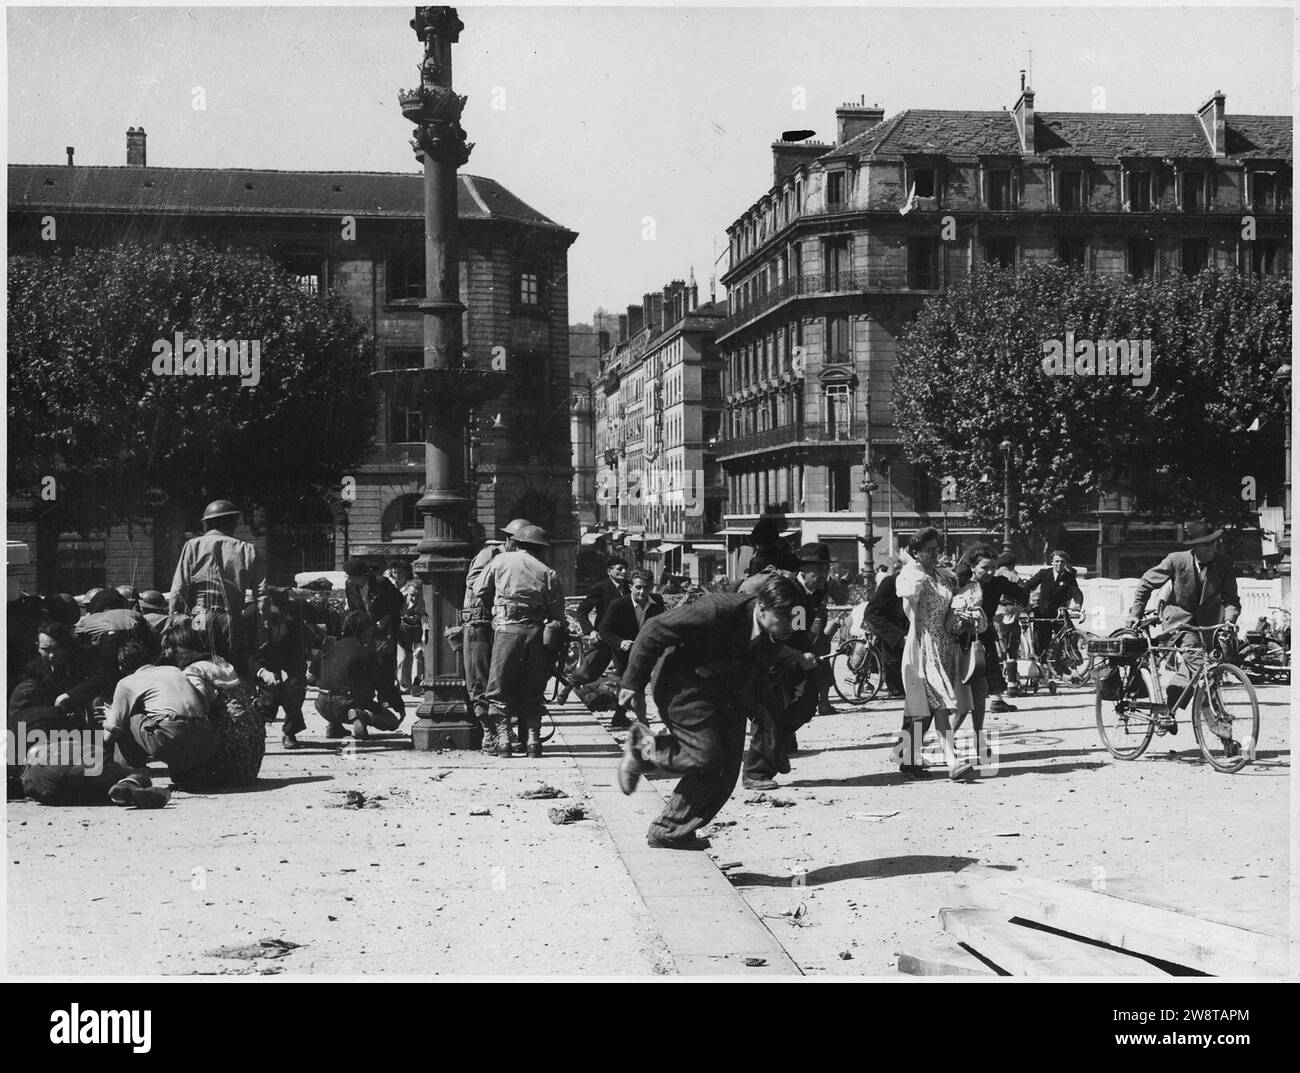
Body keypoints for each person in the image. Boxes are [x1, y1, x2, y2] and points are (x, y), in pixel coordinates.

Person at [615, 575, 816, 849]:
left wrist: (773, 732)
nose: (792, 628)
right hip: (683, 685)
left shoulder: (775, 630)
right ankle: (644, 747)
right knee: (705, 755)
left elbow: (762, 667)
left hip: (725, 692)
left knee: (725, 771)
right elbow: (654, 628)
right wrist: (633, 682)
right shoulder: (718, 609)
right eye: (787, 621)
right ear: (763, 609)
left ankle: (671, 830)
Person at [1126, 521, 1242, 737]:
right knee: (1198, 662)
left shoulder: (1224, 564)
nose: (1211, 548)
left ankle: (1169, 707)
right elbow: (1146, 583)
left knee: (1205, 669)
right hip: (1180, 624)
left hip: (1209, 626)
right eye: (1205, 545)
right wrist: (1135, 613)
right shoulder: (1176, 560)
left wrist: (1229, 622)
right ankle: (1216, 725)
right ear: (1195, 547)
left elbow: (1232, 600)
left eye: (1213, 543)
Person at [473, 524, 566, 758]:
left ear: (516, 543)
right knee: (532, 687)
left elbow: (479, 590)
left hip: (506, 630)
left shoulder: (501, 561)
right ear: (541, 549)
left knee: (498, 687)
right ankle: (534, 742)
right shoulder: (548, 572)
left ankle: (504, 740)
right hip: (535, 632)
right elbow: (557, 617)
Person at [896, 528, 976, 781]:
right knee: (938, 705)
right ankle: (951, 760)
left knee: (927, 708)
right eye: (927, 550)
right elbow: (909, 593)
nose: (933, 554)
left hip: (945, 644)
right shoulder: (911, 574)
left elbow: (957, 597)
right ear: (916, 552)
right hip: (923, 645)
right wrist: (913, 565)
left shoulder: (943, 576)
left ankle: (905, 755)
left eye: (935, 549)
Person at [100, 641, 219, 783]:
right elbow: (204, 703)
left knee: (131, 718)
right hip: (207, 738)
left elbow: (110, 735)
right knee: (162, 717)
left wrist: (110, 717)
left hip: (172, 739)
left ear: (121, 666)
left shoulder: (126, 682)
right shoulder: (173, 670)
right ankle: (190, 772)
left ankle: (132, 778)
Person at [169, 499, 268, 671]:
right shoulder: (247, 549)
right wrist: (263, 628)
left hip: (199, 617)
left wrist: (174, 620)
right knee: (231, 669)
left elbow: (178, 589)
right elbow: (262, 595)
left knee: (199, 667)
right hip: (231, 620)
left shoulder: (192, 546)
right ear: (232, 522)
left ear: (207, 523)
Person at [462, 519, 529, 752]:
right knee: (479, 677)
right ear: (509, 540)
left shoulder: (518, 559)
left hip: (501, 623)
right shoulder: (490, 553)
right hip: (480, 621)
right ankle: (489, 732)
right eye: (520, 543)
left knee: (500, 678)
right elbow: (474, 583)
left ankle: (501, 729)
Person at [959, 546, 1031, 714]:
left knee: (991, 664)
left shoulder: (998, 583)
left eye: (994, 567)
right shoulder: (960, 583)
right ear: (972, 567)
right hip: (961, 632)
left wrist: (1018, 607)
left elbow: (1023, 593)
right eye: (985, 568)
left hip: (984, 630)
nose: (990, 572)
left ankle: (996, 700)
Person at [311, 611, 403, 740]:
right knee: (392, 721)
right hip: (347, 704)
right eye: (370, 630)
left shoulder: (329, 647)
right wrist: (399, 705)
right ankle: (362, 715)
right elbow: (383, 684)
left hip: (322, 704)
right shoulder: (366, 652)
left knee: (339, 683)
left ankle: (334, 725)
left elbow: (313, 673)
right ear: (364, 631)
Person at [596, 568, 665, 728]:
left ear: (652, 587)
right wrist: (620, 642)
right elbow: (604, 630)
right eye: (638, 587)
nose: (642, 592)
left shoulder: (657, 602)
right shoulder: (618, 605)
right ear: (630, 587)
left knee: (635, 685)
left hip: (646, 652)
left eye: (646, 587)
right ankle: (643, 724)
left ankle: (621, 716)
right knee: (635, 686)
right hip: (624, 653)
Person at [343, 558, 406, 718]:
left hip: (384, 631)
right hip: (364, 631)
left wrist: (386, 618)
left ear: (361, 575)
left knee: (384, 665)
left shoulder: (381, 583)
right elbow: (353, 608)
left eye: (351, 575)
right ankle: (365, 700)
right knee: (365, 666)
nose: (349, 579)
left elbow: (398, 601)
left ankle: (388, 701)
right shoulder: (350, 586)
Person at [249, 591, 309, 749]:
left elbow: (297, 663)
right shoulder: (252, 621)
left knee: (296, 686)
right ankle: (256, 732)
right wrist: (262, 672)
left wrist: (294, 682)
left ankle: (290, 731)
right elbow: (245, 656)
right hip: (260, 663)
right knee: (269, 696)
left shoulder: (294, 628)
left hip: (281, 655)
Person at [570, 557, 629, 687]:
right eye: (620, 569)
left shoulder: (630, 588)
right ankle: (569, 686)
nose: (624, 572)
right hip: (603, 636)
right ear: (610, 571)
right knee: (590, 671)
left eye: (625, 569)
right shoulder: (601, 588)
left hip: (623, 637)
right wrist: (590, 631)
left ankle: (620, 706)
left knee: (623, 672)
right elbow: (582, 611)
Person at [1023, 550, 1083, 667]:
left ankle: (1072, 660)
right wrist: (1025, 603)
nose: (1059, 564)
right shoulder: (1044, 573)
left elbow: (1077, 593)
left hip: (1060, 612)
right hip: (1043, 612)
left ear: (1066, 563)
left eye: (1062, 562)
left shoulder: (1069, 577)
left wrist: (1077, 605)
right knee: (1042, 640)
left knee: (1070, 634)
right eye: (1056, 561)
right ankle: (1042, 667)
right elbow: (1028, 585)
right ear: (1052, 562)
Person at [864, 550, 909, 702]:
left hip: (917, 651)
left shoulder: (922, 586)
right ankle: (912, 726)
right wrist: (898, 636)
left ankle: (916, 727)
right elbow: (871, 614)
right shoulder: (890, 583)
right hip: (895, 651)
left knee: (918, 705)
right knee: (910, 705)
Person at [993, 552, 1026, 696]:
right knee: (1011, 649)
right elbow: (1024, 595)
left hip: (993, 616)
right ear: (1012, 564)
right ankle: (1012, 685)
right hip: (1008, 615)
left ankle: (995, 687)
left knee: (996, 651)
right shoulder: (1013, 577)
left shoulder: (991, 575)